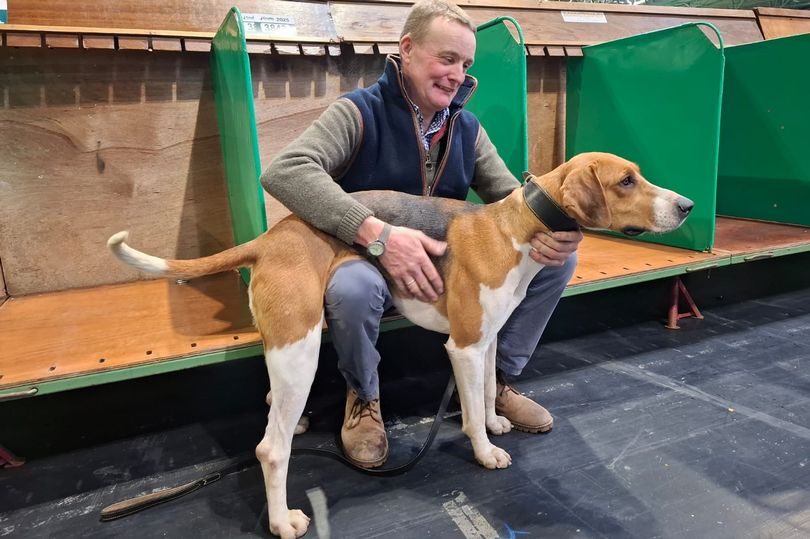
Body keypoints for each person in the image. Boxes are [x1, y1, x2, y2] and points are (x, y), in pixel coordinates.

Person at [261, 0, 583, 469]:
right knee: (354, 287)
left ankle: (496, 379)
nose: (457, 75)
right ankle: (363, 399)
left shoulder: (468, 129)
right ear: (407, 50)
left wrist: (555, 229)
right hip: (364, 259)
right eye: (446, 59)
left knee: (557, 260)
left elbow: (513, 201)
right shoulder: (358, 112)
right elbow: (284, 172)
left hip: (443, 274)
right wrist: (375, 234)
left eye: (466, 64)